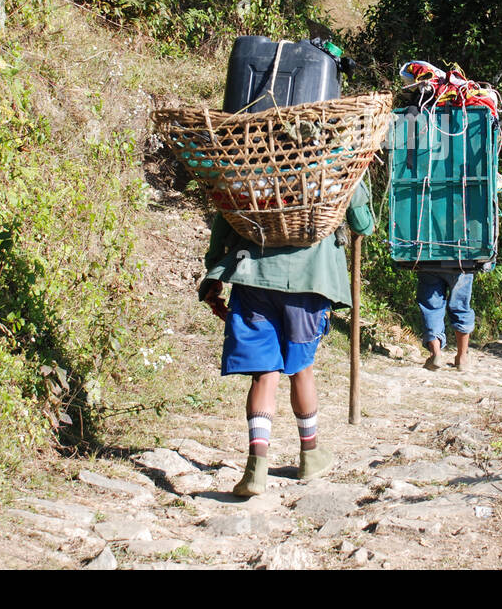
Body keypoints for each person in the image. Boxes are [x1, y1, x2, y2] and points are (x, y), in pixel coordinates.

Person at [199, 178, 374, 497]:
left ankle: (256, 467)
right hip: (311, 280)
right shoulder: (339, 164)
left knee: (263, 376)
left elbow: (225, 216)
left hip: (254, 275)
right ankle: (310, 455)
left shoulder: (252, 161)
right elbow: (363, 223)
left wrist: (214, 271)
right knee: (300, 370)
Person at [416, 268, 475, 371]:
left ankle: (436, 354)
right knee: (461, 307)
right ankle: (462, 358)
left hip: (429, 261)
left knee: (431, 307)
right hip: (461, 263)